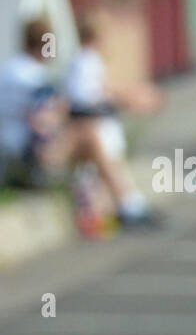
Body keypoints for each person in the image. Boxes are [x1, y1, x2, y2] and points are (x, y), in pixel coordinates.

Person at [0, 17, 158, 231]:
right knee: (89, 135)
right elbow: (45, 119)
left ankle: (115, 206)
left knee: (90, 143)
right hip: (27, 157)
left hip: (11, 151)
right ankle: (127, 206)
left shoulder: (9, 69)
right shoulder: (33, 76)